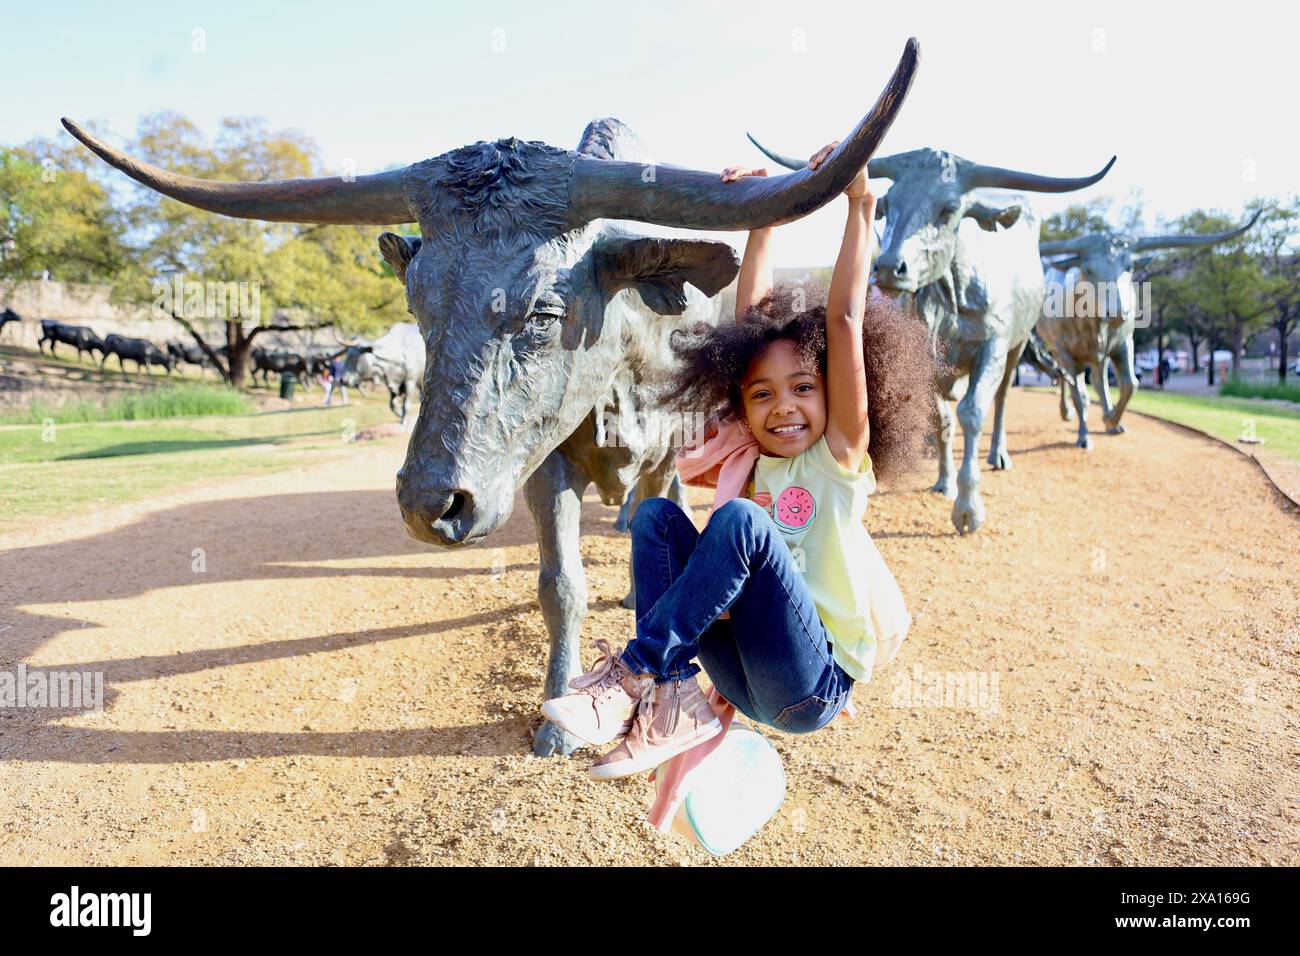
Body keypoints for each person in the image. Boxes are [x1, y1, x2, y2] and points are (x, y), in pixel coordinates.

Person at [542, 142, 938, 780]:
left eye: (804, 388)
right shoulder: (748, 458)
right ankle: (671, 695)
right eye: (762, 394)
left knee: (742, 526)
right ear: (741, 403)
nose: (783, 406)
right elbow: (747, 323)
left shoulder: (839, 455)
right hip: (745, 671)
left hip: (811, 682)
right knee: (656, 519)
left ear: (832, 393)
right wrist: (762, 225)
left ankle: (637, 670)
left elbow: (843, 318)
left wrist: (860, 204)